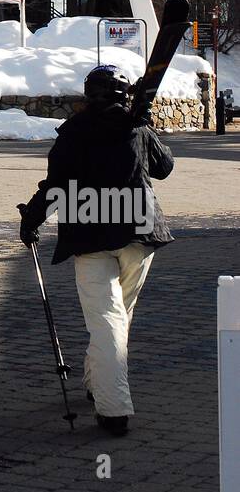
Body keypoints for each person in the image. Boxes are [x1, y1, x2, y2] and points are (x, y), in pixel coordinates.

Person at [17, 64, 174, 435]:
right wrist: (145, 127)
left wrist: (32, 218)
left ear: (88, 95)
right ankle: (97, 383)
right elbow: (165, 166)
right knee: (116, 319)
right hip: (139, 234)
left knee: (107, 321)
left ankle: (113, 407)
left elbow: (57, 185)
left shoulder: (74, 132)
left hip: (90, 236)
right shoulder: (134, 125)